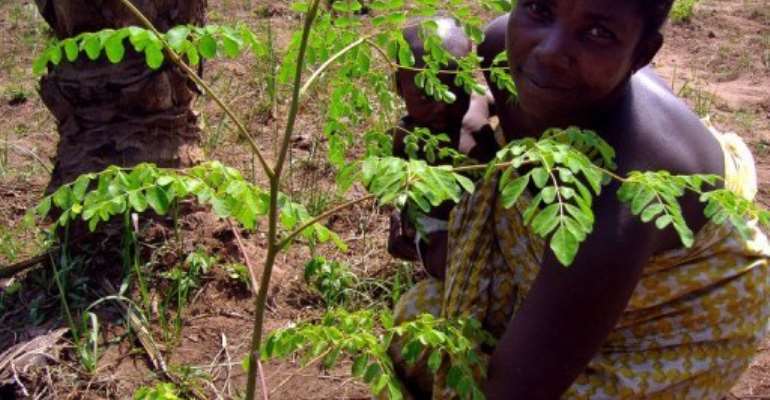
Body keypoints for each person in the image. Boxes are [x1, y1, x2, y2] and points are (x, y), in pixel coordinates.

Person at [389, 1, 770, 399]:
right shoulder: (500, 50)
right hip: (586, 264)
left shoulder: (625, 192)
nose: (550, 51)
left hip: (672, 318)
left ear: (642, 54)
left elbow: (514, 391)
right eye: (539, 8)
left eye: (598, 33)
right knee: (420, 328)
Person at [388, 17, 501, 279]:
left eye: (455, 89)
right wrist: (398, 216)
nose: (443, 105)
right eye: (427, 95)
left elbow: (522, 111)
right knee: (442, 257)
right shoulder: (407, 136)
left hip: (490, 215)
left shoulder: (479, 103)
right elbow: (402, 188)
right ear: (399, 87)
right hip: (440, 225)